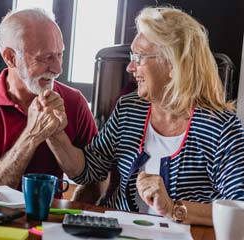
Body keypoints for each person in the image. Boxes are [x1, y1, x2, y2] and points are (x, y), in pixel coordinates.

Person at [44, 6, 244, 225]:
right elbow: (88, 171)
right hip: (118, 231)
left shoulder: (220, 127)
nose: (130, 67)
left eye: (139, 57)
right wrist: (55, 133)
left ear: (173, 64)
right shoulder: (129, 109)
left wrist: (172, 208)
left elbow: (240, 208)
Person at [0, 8, 100, 198]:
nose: (58, 69)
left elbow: (97, 177)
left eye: (59, 54)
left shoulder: (74, 101)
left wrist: (72, 214)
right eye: (45, 57)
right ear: (10, 57)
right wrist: (33, 134)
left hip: (49, 223)